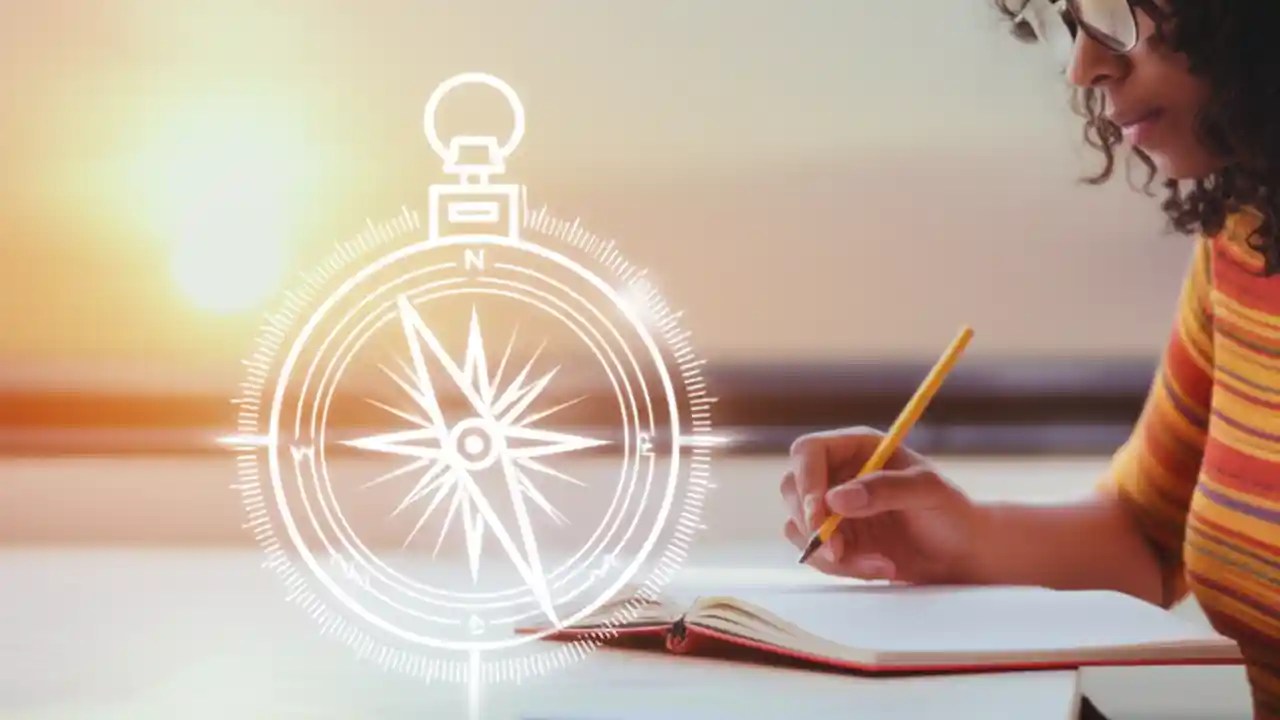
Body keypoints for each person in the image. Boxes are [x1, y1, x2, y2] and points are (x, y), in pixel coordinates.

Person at [780, 1, 1280, 716]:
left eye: (1114, 9)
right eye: (1070, 21)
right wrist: (953, 534)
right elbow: (1145, 535)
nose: (1085, 67)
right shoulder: (1247, 242)